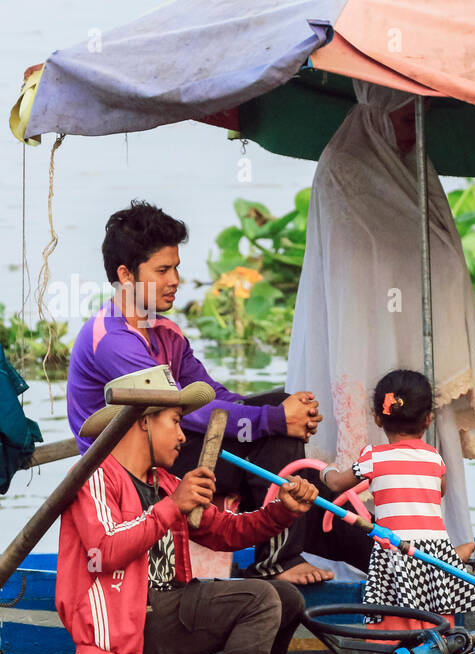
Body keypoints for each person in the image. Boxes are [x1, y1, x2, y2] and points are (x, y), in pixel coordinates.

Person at [66, 200, 369, 585]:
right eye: (162, 270)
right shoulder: (113, 341)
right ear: (126, 275)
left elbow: (210, 395)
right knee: (275, 425)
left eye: (175, 267)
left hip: (168, 447)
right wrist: (274, 418)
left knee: (286, 432)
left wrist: (275, 410)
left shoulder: (165, 331)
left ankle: (389, 560)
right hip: (129, 472)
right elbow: (183, 412)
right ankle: (277, 562)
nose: (175, 279)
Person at [287, 80, 475, 563]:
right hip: (364, 336)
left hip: (420, 350)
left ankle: (443, 553)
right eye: (404, 120)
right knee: (374, 450)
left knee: (423, 441)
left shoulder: (417, 170)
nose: (415, 133)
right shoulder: (342, 171)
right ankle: (363, 559)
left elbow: (442, 251)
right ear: (377, 116)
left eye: (418, 120)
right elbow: (354, 269)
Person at [56, 365, 320, 654]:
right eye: (176, 421)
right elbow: (104, 552)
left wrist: (280, 512)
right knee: (258, 600)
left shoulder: (163, 482)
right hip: (126, 626)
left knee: (288, 599)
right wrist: (172, 507)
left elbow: (226, 532)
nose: (183, 436)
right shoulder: (94, 475)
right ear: (144, 422)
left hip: (165, 610)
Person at [320, 370, 475, 632]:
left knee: (390, 616)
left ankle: (389, 653)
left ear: (377, 417)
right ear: (429, 419)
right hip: (434, 552)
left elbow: (338, 484)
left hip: (395, 550)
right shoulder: (435, 458)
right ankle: (440, 650)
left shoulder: (372, 457)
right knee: (437, 611)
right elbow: (438, 492)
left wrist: (325, 470)